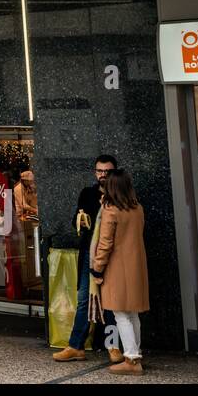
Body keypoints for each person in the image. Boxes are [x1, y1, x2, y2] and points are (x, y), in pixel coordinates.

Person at [53, 156, 119, 363]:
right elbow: (77, 220)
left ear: (115, 173)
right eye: (99, 171)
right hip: (89, 253)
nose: (103, 176)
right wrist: (81, 220)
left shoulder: (120, 194)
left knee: (110, 302)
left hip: (113, 255)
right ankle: (75, 346)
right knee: (84, 299)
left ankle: (113, 347)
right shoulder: (88, 193)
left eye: (107, 172)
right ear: (94, 172)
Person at [90, 169, 150, 375]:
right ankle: (136, 354)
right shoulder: (137, 208)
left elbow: (105, 244)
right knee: (132, 313)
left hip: (116, 267)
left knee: (120, 313)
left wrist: (97, 268)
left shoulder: (111, 210)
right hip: (136, 266)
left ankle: (132, 359)